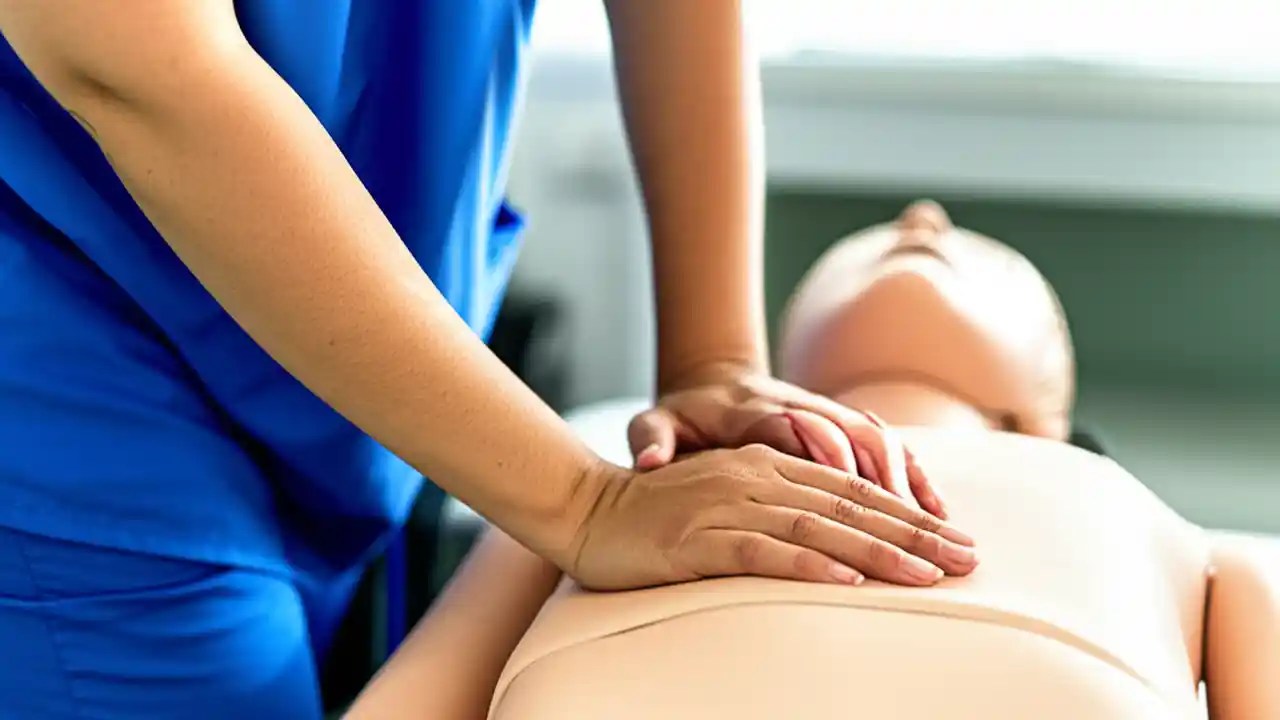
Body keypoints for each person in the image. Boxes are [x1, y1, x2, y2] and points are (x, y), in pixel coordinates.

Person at [0, 4, 975, 717]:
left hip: (357, 379)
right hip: (71, 376)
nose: (922, 221)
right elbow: (141, 67)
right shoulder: (601, 474)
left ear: (1044, 425)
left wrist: (711, 357)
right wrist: (576, 506)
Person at [346, 201, 1279, 719]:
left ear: (1046, 418)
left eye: (987, 261)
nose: (923, 216)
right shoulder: (600, 507)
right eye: (861, 248)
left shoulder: (1174, 540)